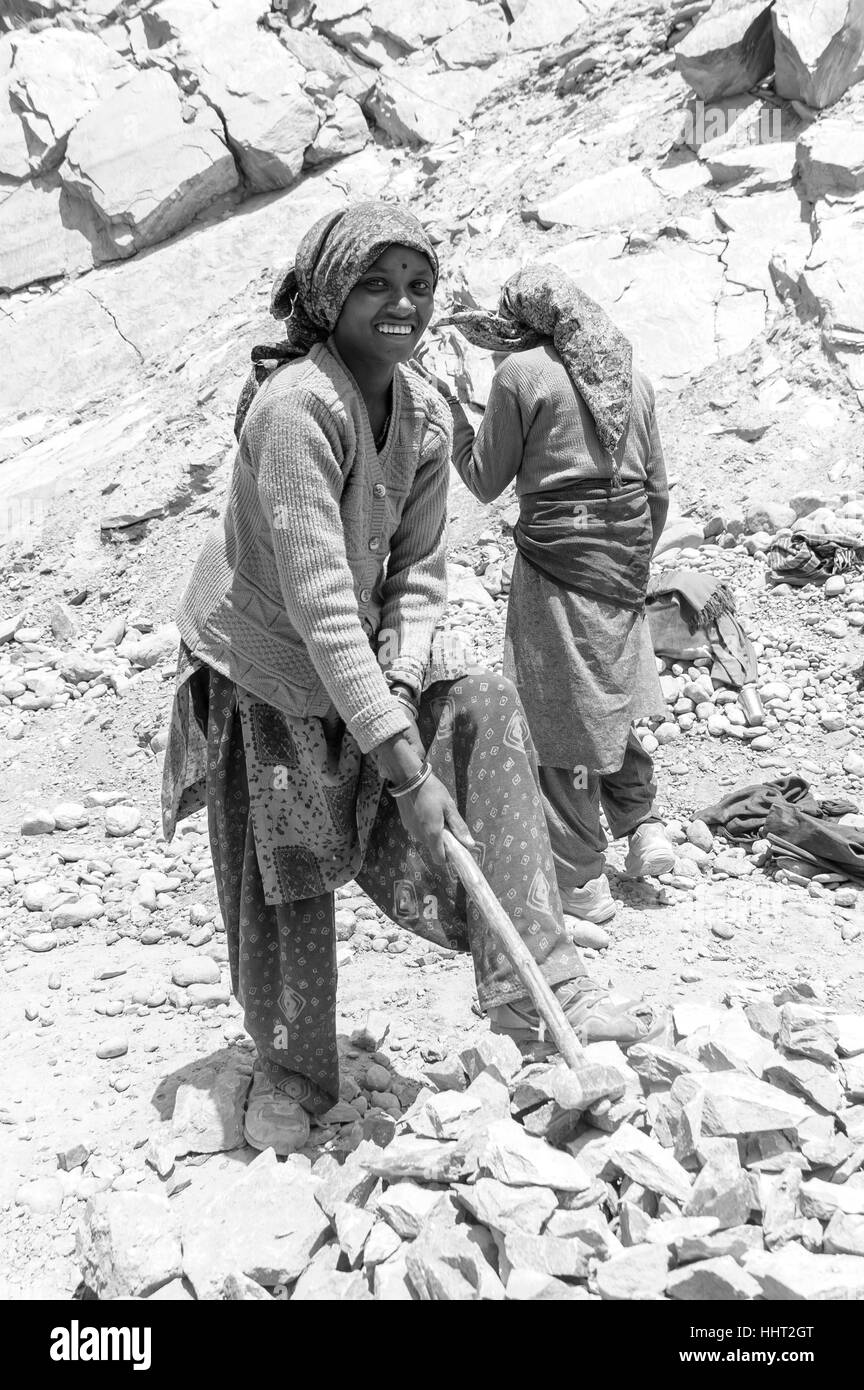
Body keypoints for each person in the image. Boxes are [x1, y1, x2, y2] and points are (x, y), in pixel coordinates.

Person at [162, 207, 663, 1156]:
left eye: (419, 285)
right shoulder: (296, 409)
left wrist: (400, 686)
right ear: (327, 294)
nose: (404, 304)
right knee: (285, 874)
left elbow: (419, 572)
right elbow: (318, 602)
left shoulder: (426, 413)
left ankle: (539, 991)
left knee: (485, 705)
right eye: (376, 283)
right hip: (268, 667)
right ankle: (291, 1068)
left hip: (357, 667)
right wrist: (402, 769)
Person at [427, 263, 676, 927]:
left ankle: (582, 881)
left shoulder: (520, 375)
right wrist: (628, 562)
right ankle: (644, 829)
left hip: (556, 566)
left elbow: (483, 479)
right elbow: (657, 493)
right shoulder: (634, 381)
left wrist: (454, 411)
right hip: (621, 565)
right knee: (609, 694)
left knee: (557, 716)